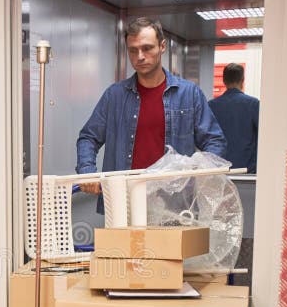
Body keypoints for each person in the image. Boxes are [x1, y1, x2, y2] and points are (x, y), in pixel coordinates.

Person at [76, 17, 226, 211]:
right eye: (133, 50)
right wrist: (88, 171)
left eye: (147, 48)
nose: (140, 56)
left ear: (162, 46)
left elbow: (214, 141)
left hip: (174, 206)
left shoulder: (189, 94)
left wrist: (202, 169)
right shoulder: (114, 96)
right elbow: (88, 137)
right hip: (124, 203)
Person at [208, 63, 259, 173]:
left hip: (220, 171)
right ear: (242, 80)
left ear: (224, 81)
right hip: (248, 172)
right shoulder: (254, 104)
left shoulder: (211, 106)